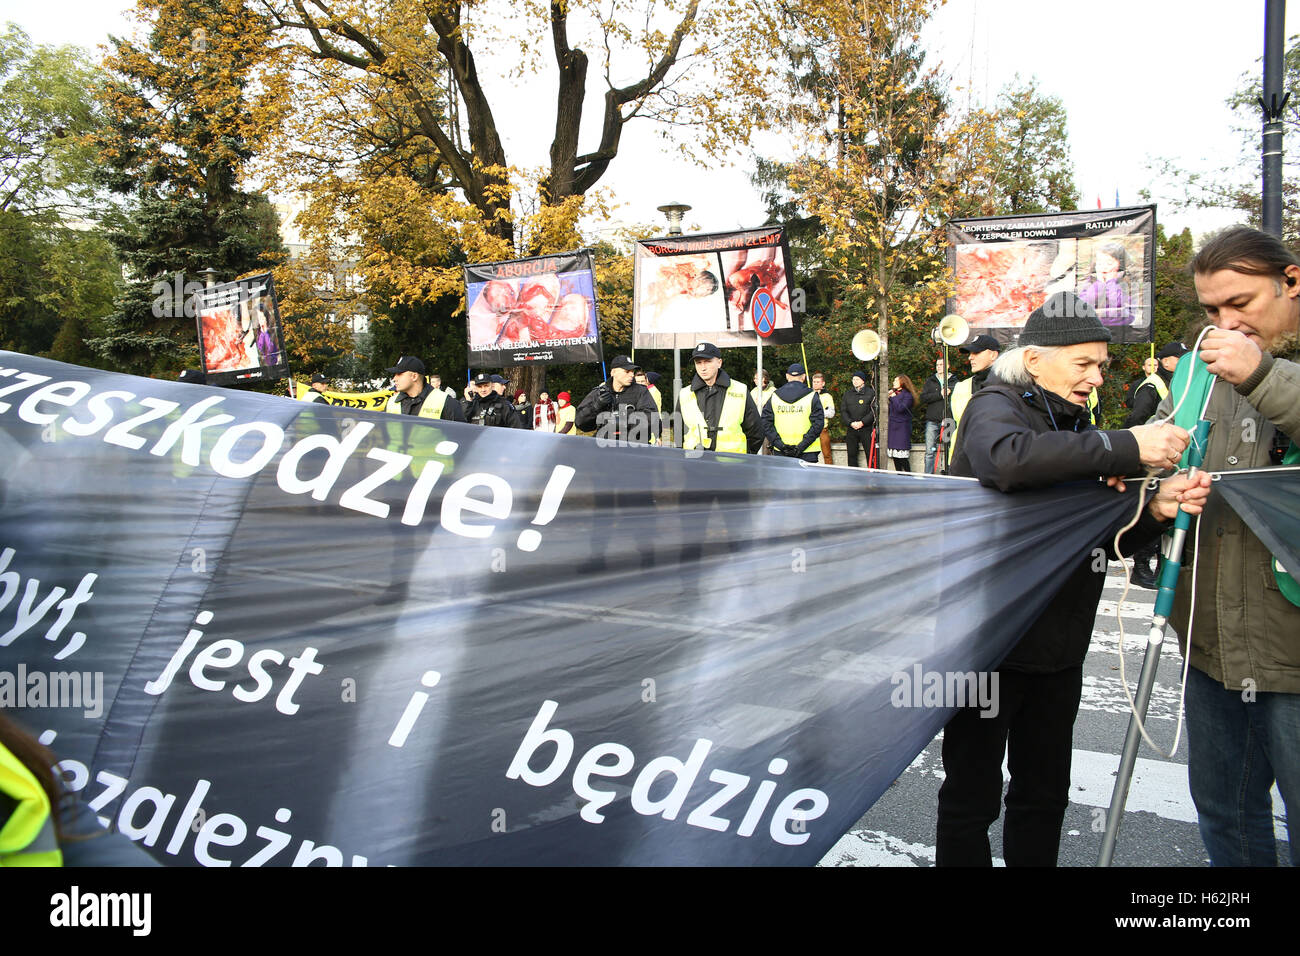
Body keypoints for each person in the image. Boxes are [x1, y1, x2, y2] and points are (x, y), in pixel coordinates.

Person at [936, 291, 1210, 867]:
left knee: (1043, 796)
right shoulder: (995, 405)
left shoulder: (1078, 424)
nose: (1097, 378)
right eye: (1084, 363)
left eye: (1102, 366)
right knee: (971, 797)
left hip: (1058, 650)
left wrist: (1155, 512)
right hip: (987, 646)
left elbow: (1097, 539)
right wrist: (1125, 445)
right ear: (1034, 360)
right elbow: (1007, 460)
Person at [1155, 225, 1300, 867]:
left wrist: (1262, 375)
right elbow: (1161, 446)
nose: (1226, 324)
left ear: (1291, 282)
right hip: (1210, 638)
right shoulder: (1198, 371)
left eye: (1240, 303)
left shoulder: (1252, 363)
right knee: (1226, 815)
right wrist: (1155, 487)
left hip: (1291, 644)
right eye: (1212, 311)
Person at [677, 341, 763, 454]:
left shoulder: (740, 390)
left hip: (731, 461)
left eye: (708, 362)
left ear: (719, 363)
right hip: (695, 460)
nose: (703, 368)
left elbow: (756, 431)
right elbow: (678, 432)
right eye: (698, 363)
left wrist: (746, 457)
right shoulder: (684, 394)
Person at [575, 355, 658, 444]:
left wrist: (624, 421)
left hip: (634, 447)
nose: (631, 375)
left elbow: (652, 418)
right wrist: (596, 406)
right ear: (613, 372)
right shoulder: (599, 392)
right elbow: (580, 423)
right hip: (604, 447)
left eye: (632, 372)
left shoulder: (641, 392)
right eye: (627, 371)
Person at [946, 334, 1001, 464]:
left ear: (993, 355)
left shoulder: (1011, 384)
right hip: (962, 462)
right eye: (970, 353)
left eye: (976, 352)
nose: (970, 357)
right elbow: (954, 424)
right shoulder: (961, 387)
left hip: (997, 461)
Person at [762, 363, 824, 461]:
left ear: (787, 376)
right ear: (804, 377)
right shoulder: (812, 396)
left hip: (781, 451)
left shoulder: (775, 396)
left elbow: (765, 423)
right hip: (807, 452)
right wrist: (800, 447)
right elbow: (818, 424)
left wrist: (780, 445)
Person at [385, 355, 466, 421]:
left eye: (399, 374)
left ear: (414, 376)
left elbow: (460, 433)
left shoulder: (446, 402)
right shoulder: (391, 402)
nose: (394, 378)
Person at [1077, 240, 1134, 326]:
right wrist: (1100, 283)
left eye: (1109, 263)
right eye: (1099, 263)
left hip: (1118, 328)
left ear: (1120, 265)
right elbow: (1083, 304)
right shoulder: (1090, 282)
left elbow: (1118, 305)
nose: (1103, 267)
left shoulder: (1125, 283)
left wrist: (1110, 282)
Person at [919, 356, 957, 473]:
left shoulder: (955, 381)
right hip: (933, 420)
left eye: (941, 365)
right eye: (937, 365)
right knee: (930, 450)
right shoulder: (931, 381)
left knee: (950, 449)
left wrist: (951, 393)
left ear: (948, 366)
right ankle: (928, 476)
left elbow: (959, 399)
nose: (939, 367)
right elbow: (923, 398)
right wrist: (939, 394)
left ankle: (950, 473)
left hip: (949, 419)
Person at [841, 369, 876, 467]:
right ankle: (853, 473)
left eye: (857, 379)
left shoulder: (871, 393)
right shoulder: (847, 394)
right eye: (853, 379)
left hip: (866, 429)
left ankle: (872, 473)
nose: (855, 381)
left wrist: (863, 422)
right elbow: (843, 411)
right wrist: (850, 423)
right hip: (852, 428)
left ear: (863, 381)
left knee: (870, 454)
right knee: (851, 454)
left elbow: (873, 411)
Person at [887, 375, 919, 472]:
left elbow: (901, 408)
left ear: (903, 382)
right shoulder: (893, 393)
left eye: (896, 381)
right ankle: (899, 475)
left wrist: (894, 397)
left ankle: (908, 476)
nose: (893, 382)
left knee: (902, 458)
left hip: (902, 428)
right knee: (895, 457)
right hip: (893, 427)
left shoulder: (908, 396)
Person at [810, 371, 835, 463]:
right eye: (814, 382)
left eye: (818, 382)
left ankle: (829, 470)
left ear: (823, 383)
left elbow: (831, 413)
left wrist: (818, 412)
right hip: (809, 429)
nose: (815, 384)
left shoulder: (827, 396)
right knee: (809, 454)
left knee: (827, 454)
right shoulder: (808, 395)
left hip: (822, 430)